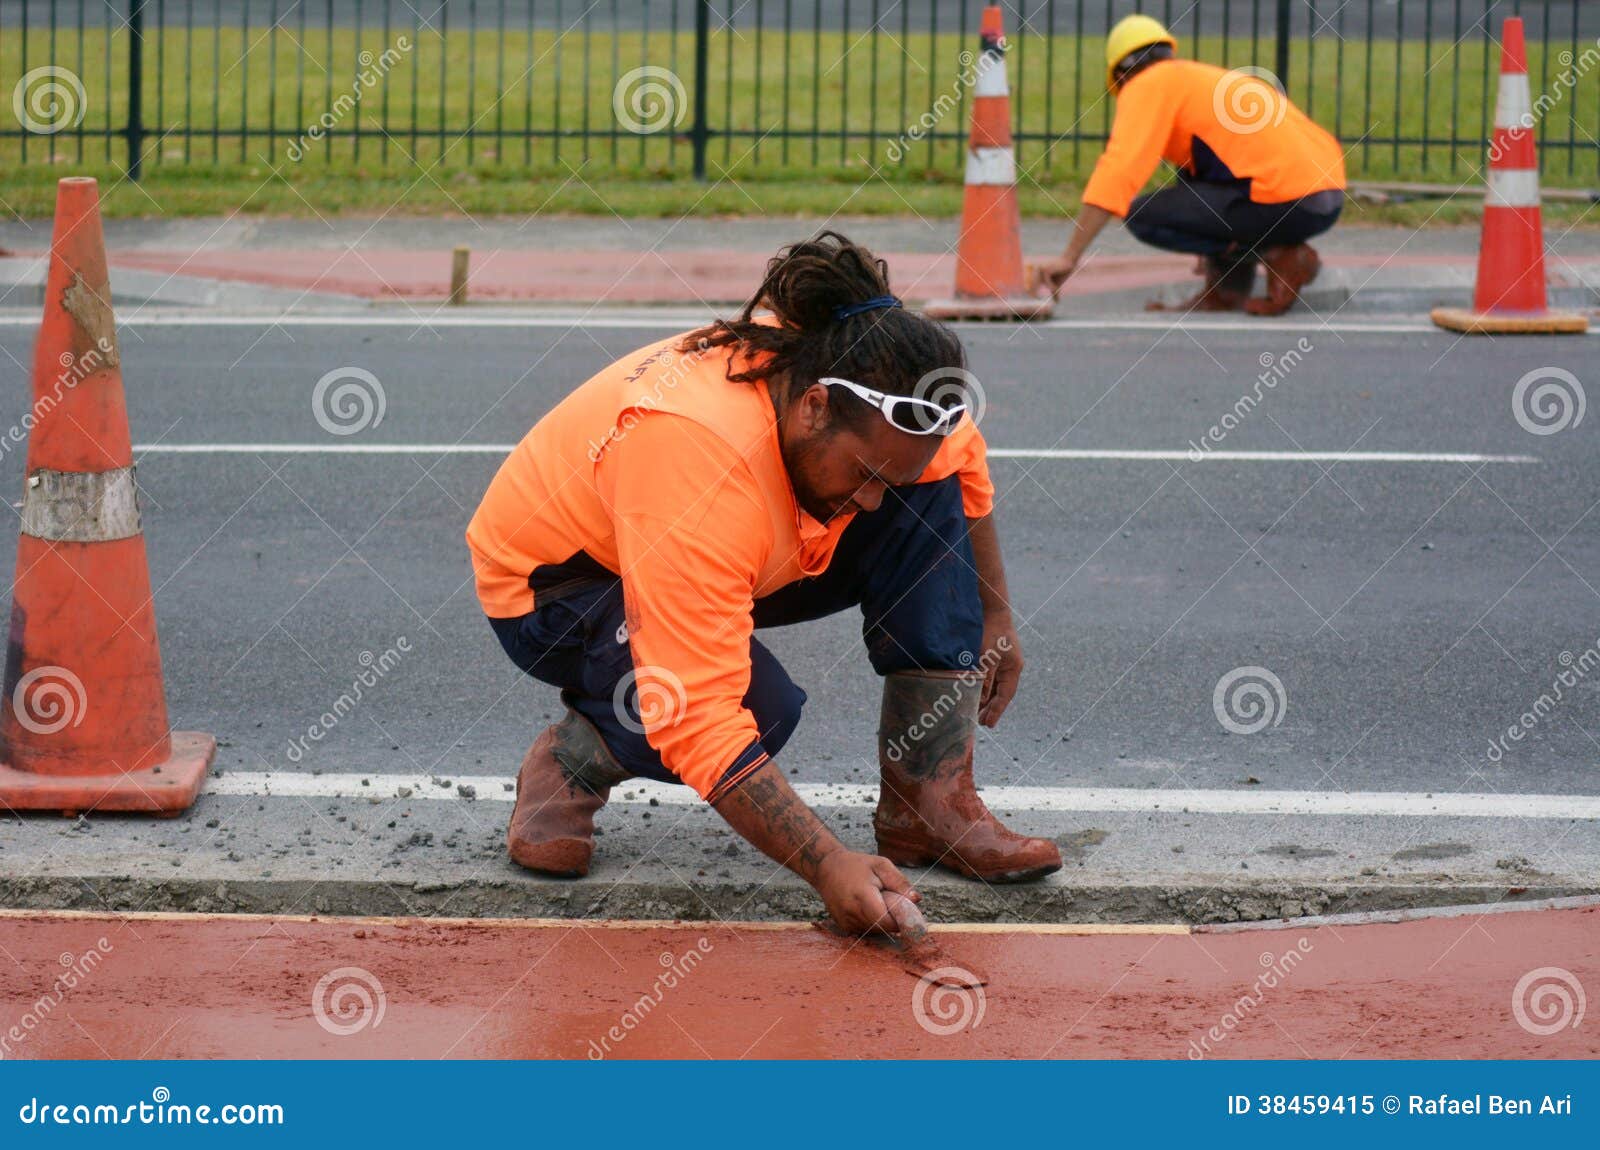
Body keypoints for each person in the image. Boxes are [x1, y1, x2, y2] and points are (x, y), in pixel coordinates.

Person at [466, 232, 1061, 938]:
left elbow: (957, 467)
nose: (872, 503)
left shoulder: (859, 376)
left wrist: (994, 616)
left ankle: (925, 802)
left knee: (922, 500)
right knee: (761, 710)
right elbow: (701, 719)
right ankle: (577, 756)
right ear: (812, 408)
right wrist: (826, 864)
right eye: (865, 476)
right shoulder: (695, 456)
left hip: (713, 541)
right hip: (561, 587)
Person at [1034, 14, 1347, 315]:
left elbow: (1118, 171)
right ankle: (1227, 290)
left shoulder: (1146, 84)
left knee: (1145, 215)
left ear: (1121, 75)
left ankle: (1283, 257)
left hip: (1285, 199)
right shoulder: (1197, 79)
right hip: (1325, 199)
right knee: (1192, 186)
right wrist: (1210, 245)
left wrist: (1069, 257)